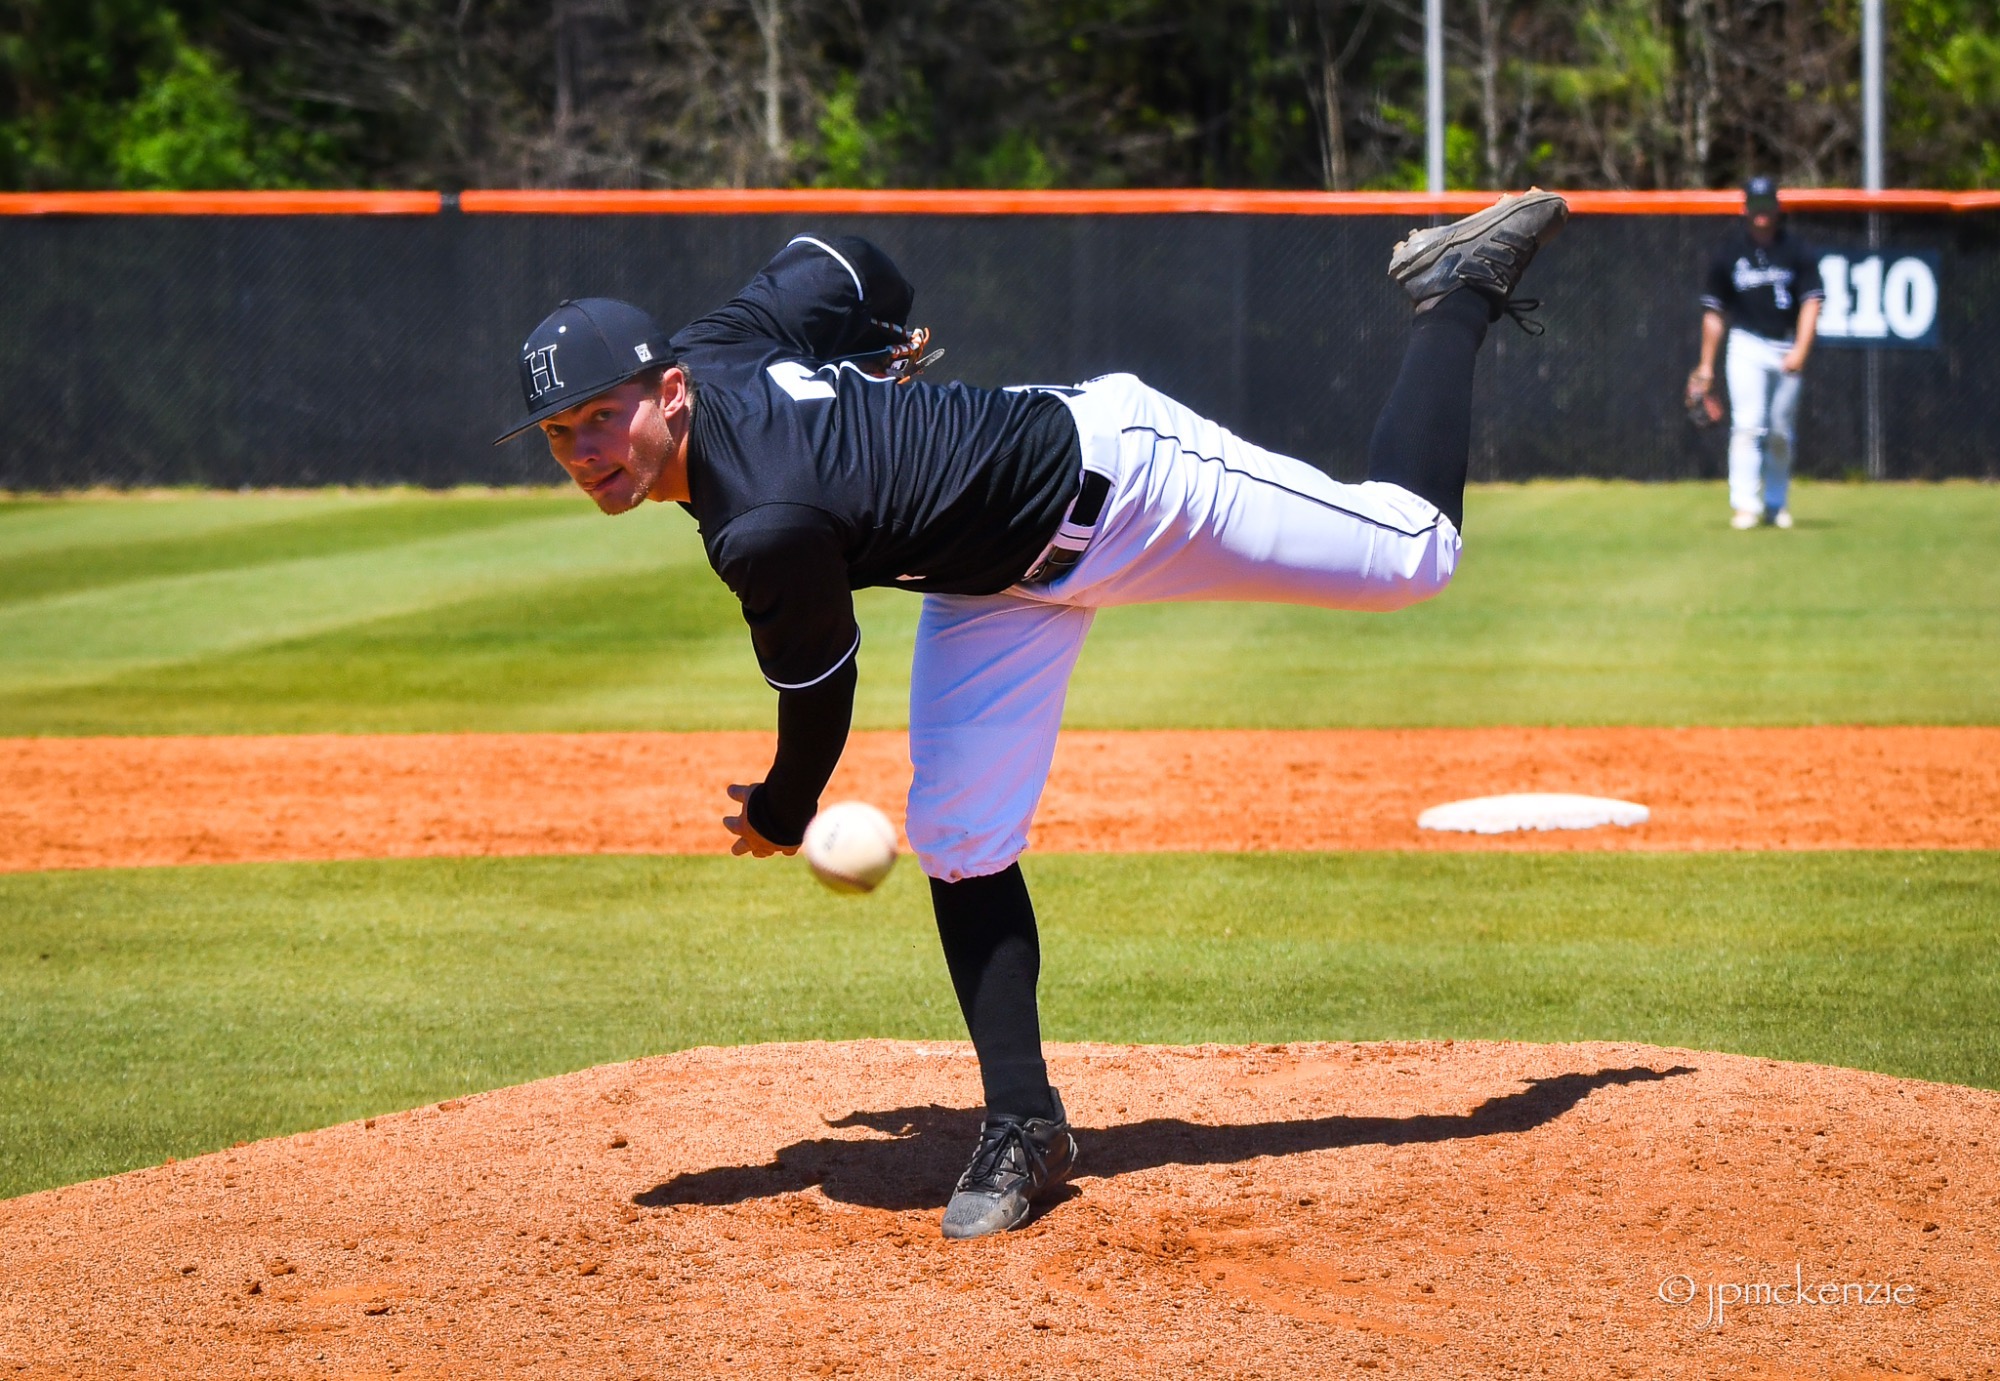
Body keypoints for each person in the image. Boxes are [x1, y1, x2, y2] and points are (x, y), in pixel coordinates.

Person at [494, 191, 1569, 1239]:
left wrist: (781, 810)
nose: (587, 449)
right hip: (990, 581)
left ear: (670, 388)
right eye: (559, 433)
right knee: (960, 834)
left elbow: (821, 695)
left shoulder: (760, 522)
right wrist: (865, 349)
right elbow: (840, 257)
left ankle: (1452, 292)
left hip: (1124, 487)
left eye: (603, 415)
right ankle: (1025, 1125)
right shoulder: (724, 345)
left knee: (1412, 554)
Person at [1686, 175, 1824, 530]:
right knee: (1747, 426)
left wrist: (1801, 351)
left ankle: (1776, 504)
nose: (1762, 212)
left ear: (1777, 207)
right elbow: (1714, 313)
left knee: (1780, 431)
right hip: (1746, 343)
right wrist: (1705, 366)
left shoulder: (1796, 250)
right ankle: (1745, 505)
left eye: (1767, 204)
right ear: (1745, 208)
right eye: (1755, 205)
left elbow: (1812, 303)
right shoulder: (1730, 253)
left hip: (1786, 345)